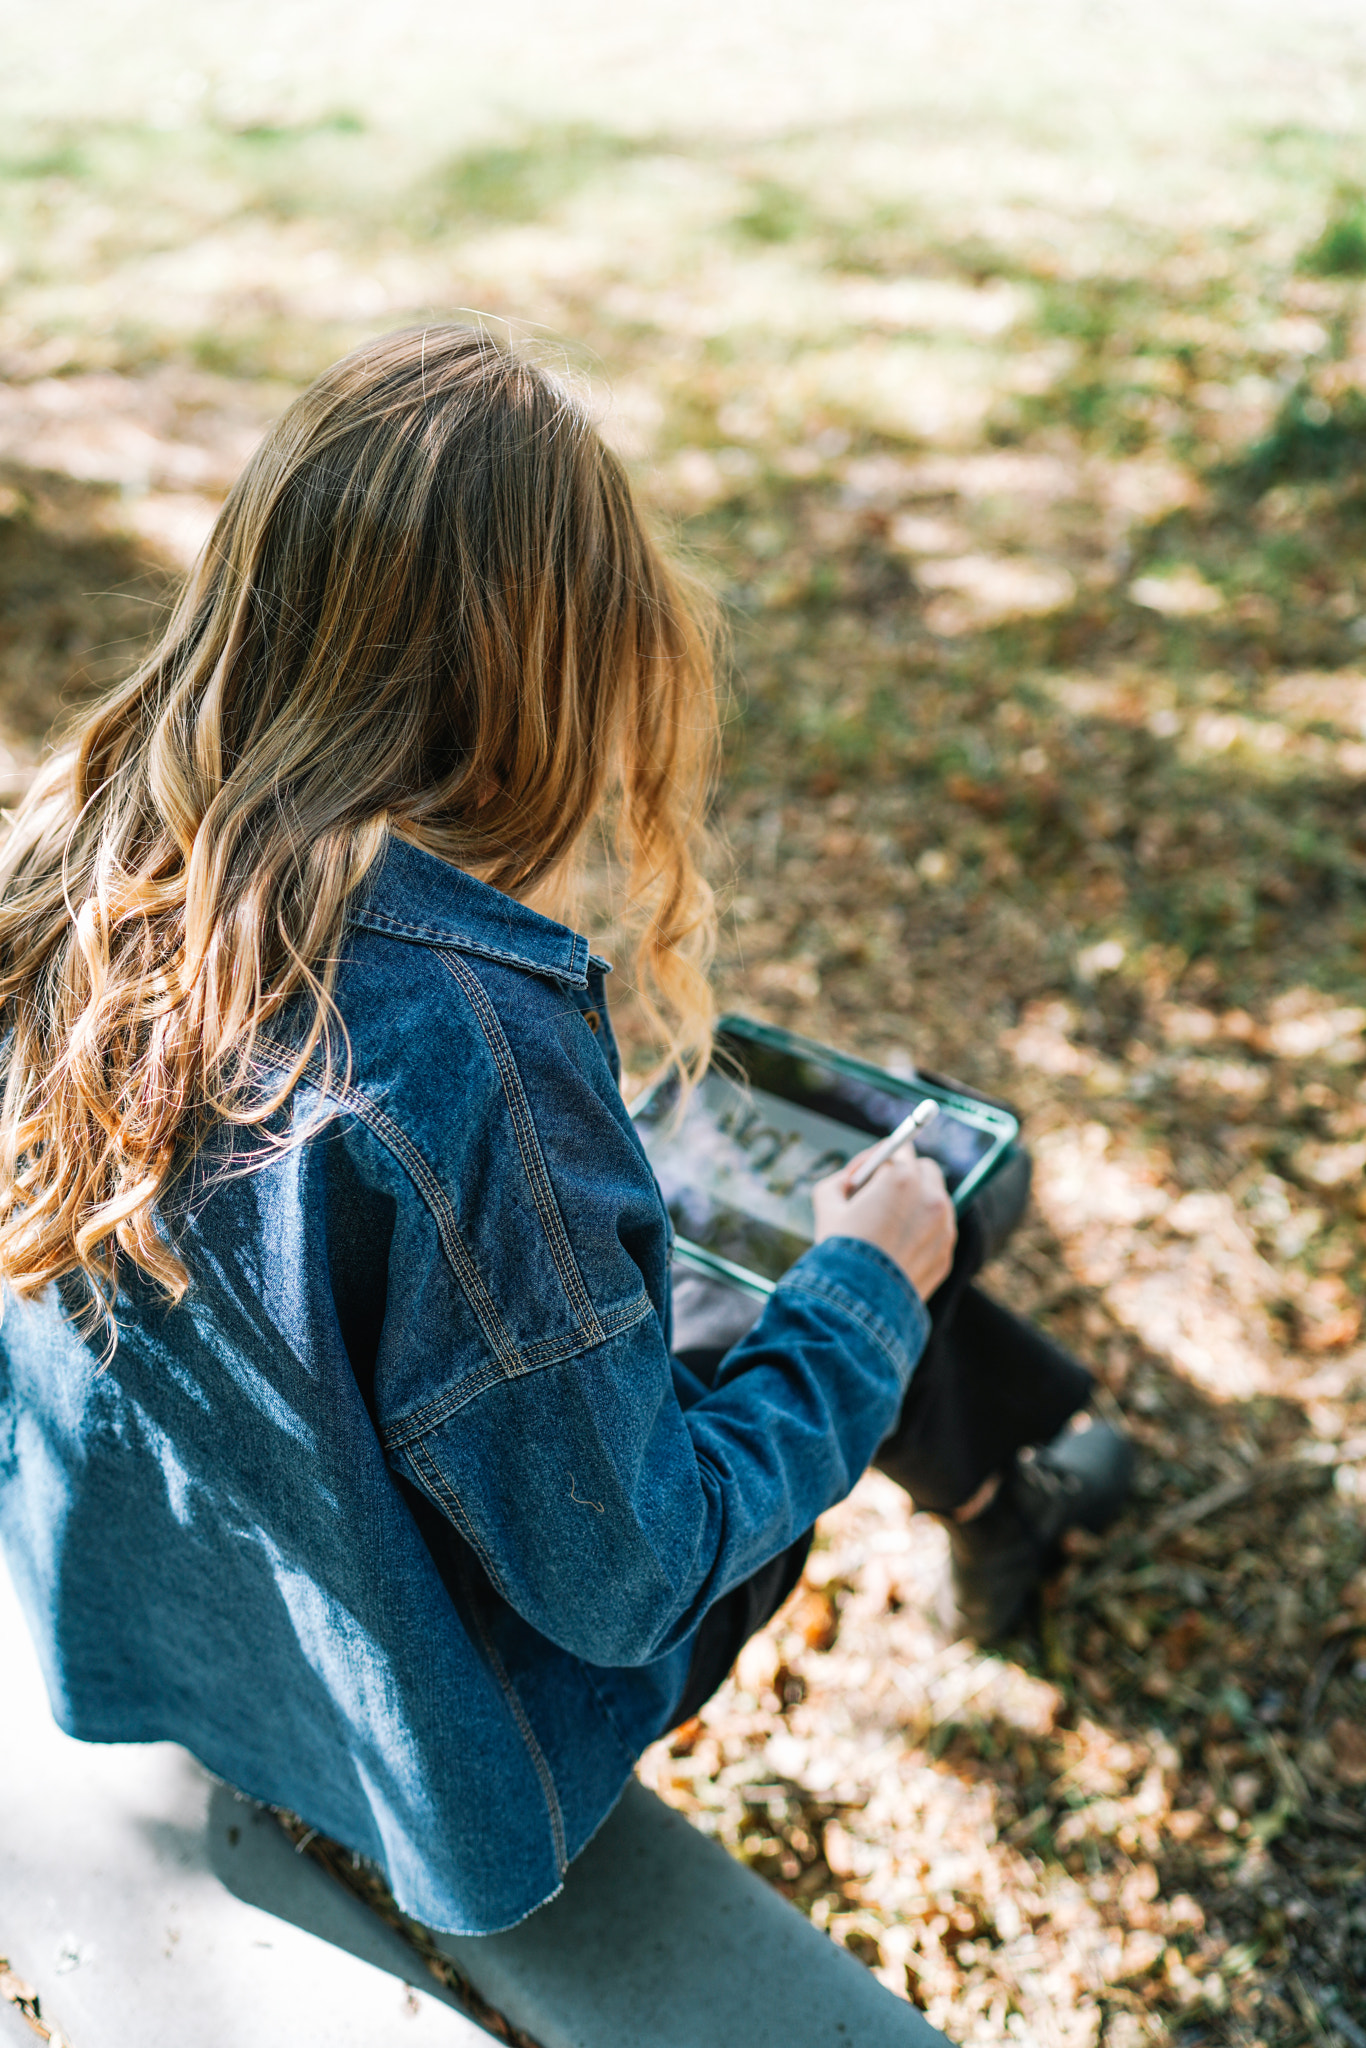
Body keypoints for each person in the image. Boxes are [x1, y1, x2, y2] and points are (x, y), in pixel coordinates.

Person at [0, 325, 1128, 1939]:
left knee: (757, 1256)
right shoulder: (470, 1045)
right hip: (447, 1761)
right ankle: (996, 1494)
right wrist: (871, 1293)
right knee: (859, 1254)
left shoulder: (65, 874)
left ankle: (995, 1493)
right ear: (543, 684)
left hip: (149, 1641)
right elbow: (630, 1578)